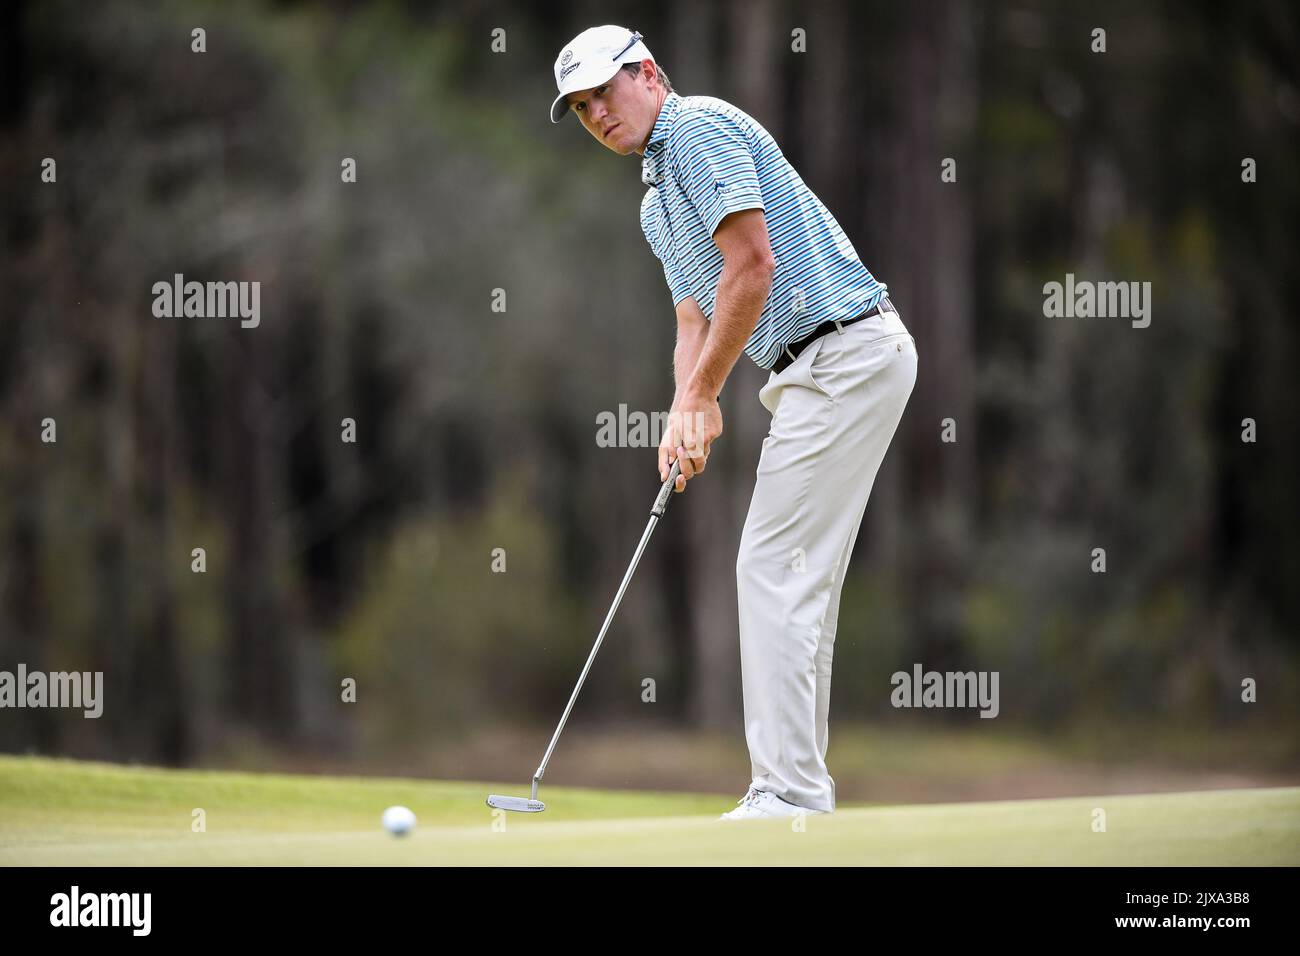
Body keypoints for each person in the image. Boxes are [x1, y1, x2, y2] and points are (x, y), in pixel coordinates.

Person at [550, 25, 917, 820]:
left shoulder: (698, 128)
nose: (597, 115)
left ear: (647, 73)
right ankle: (800, 793)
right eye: (581, 109)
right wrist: (682, 411)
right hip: (823, 368)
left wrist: (705, 395)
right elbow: (694, 316)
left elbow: (753, 266)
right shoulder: (655, 205)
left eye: (604, 93)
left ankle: (786, 791)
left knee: (769, 566)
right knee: (795, 578)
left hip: (844, 351)